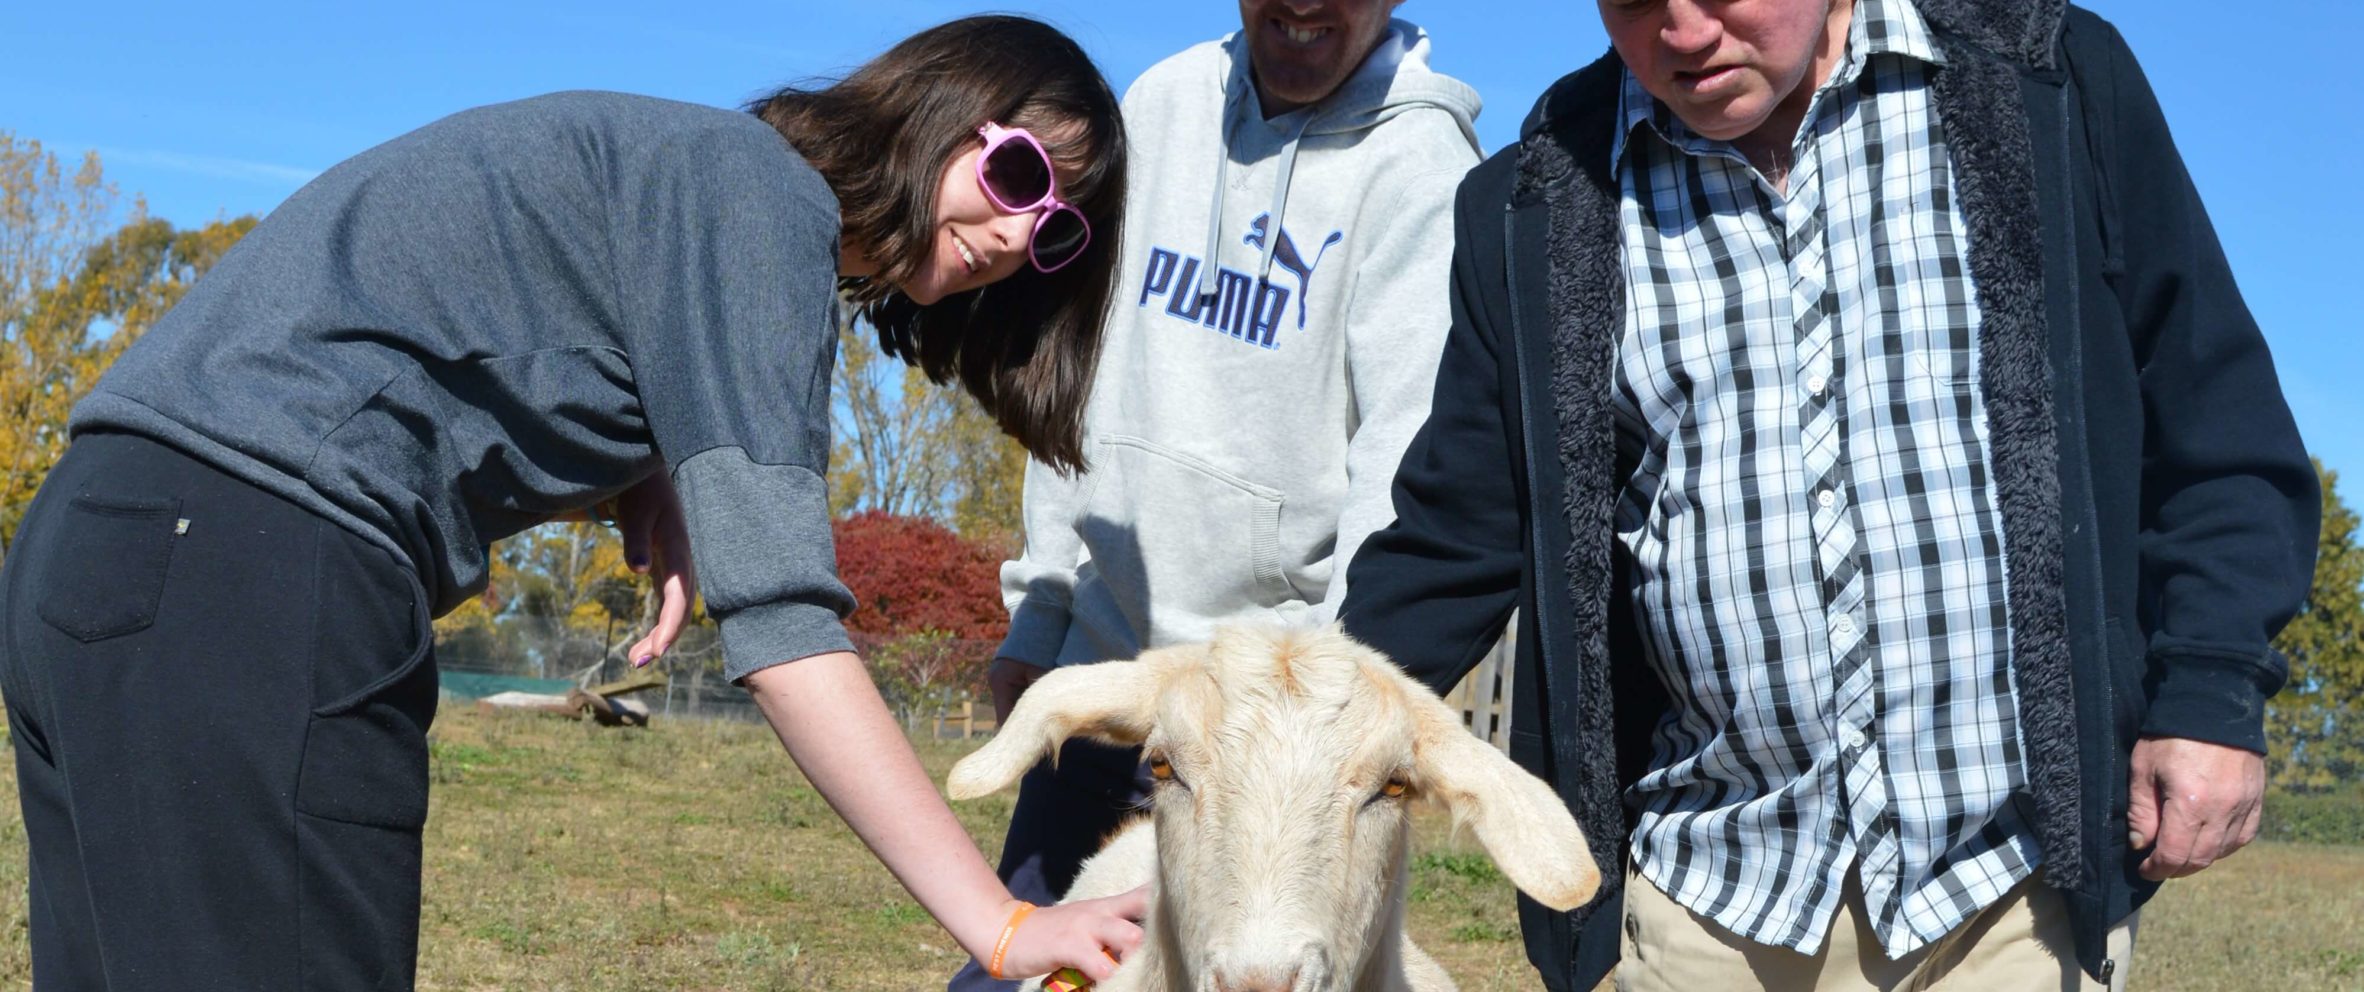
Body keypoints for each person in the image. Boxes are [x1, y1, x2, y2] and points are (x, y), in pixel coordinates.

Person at [0, 15, 1147, 990]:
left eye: (1055, 232)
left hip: (96, 544)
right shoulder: (764, 203)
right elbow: (786, 631)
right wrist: (1004, 922)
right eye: (1018, 175)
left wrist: (647, 468)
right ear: (933, 110)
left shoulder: (686, 170)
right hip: (253, 582)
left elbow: (479, 315)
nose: (1016, 233)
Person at [1338, 0, 2318, 990]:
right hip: (1710, 900)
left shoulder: (2047, 81)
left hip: (2012, 898)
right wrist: (1286, 713)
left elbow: (2215, 421)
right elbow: (1457, 532)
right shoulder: (1542, 196)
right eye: (1633, 2)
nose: (1683, 33)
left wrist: (2213, 688)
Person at [946, 4, 1481, 988]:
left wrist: (1314, 726)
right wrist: (1042, 608)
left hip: (1260, 745)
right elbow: (1080, 375)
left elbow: (1401, 461)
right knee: (1013, 973)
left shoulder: (1424, 169)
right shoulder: (1162, 103)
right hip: (1107, 669)